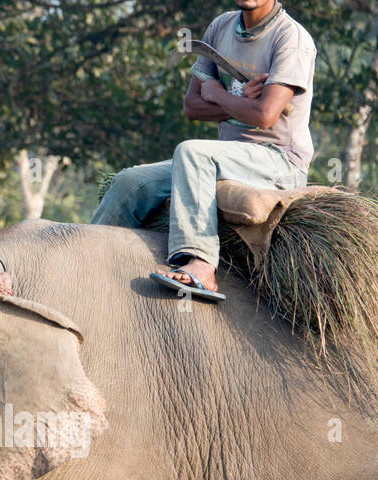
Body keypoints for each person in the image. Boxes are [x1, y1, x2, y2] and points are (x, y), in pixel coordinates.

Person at [91, 0, 316, 303]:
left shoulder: (291, 38)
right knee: (129, 182)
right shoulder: (220, 27)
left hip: (278, 159)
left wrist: (219, 94)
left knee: (192, 152)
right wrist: (237, 98)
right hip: (227, 156)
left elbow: (265, 115)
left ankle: (201, 264)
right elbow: (192, 106)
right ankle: (85, 256)